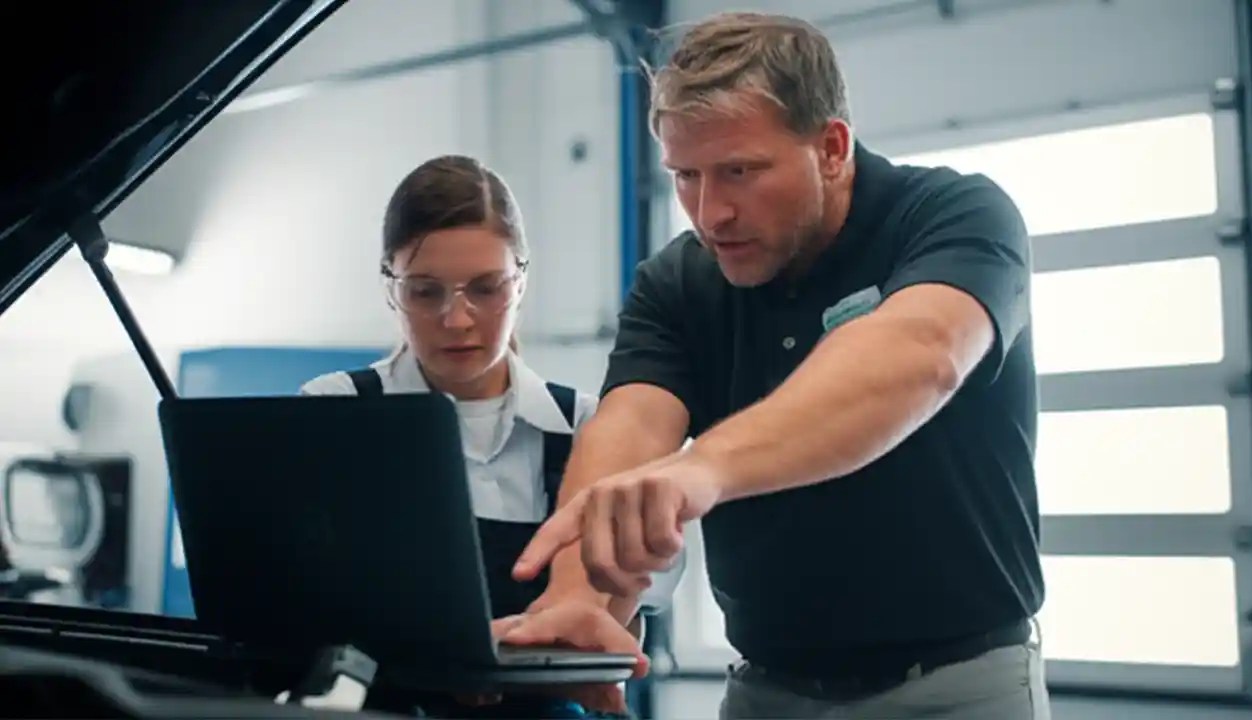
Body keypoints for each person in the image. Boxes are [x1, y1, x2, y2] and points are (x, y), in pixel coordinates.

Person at [500, 11, 1050, 720]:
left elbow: (921, 354)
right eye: (686, 176)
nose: (710, 213)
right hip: (767, 690)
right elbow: (631, 426)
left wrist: (700, 469)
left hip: (958, 686)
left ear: (831, 146)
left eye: (740, 171)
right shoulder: (678, 283)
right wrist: (575, 597)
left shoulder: (954, 215)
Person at [300, 154, 683, 718]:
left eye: (486, 288)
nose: (457, 319)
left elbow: (634, 602)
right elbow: (296, 604)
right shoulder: (332, 413)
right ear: (390, 286)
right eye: (426, 292)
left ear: (520, 281)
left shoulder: (589, 428)